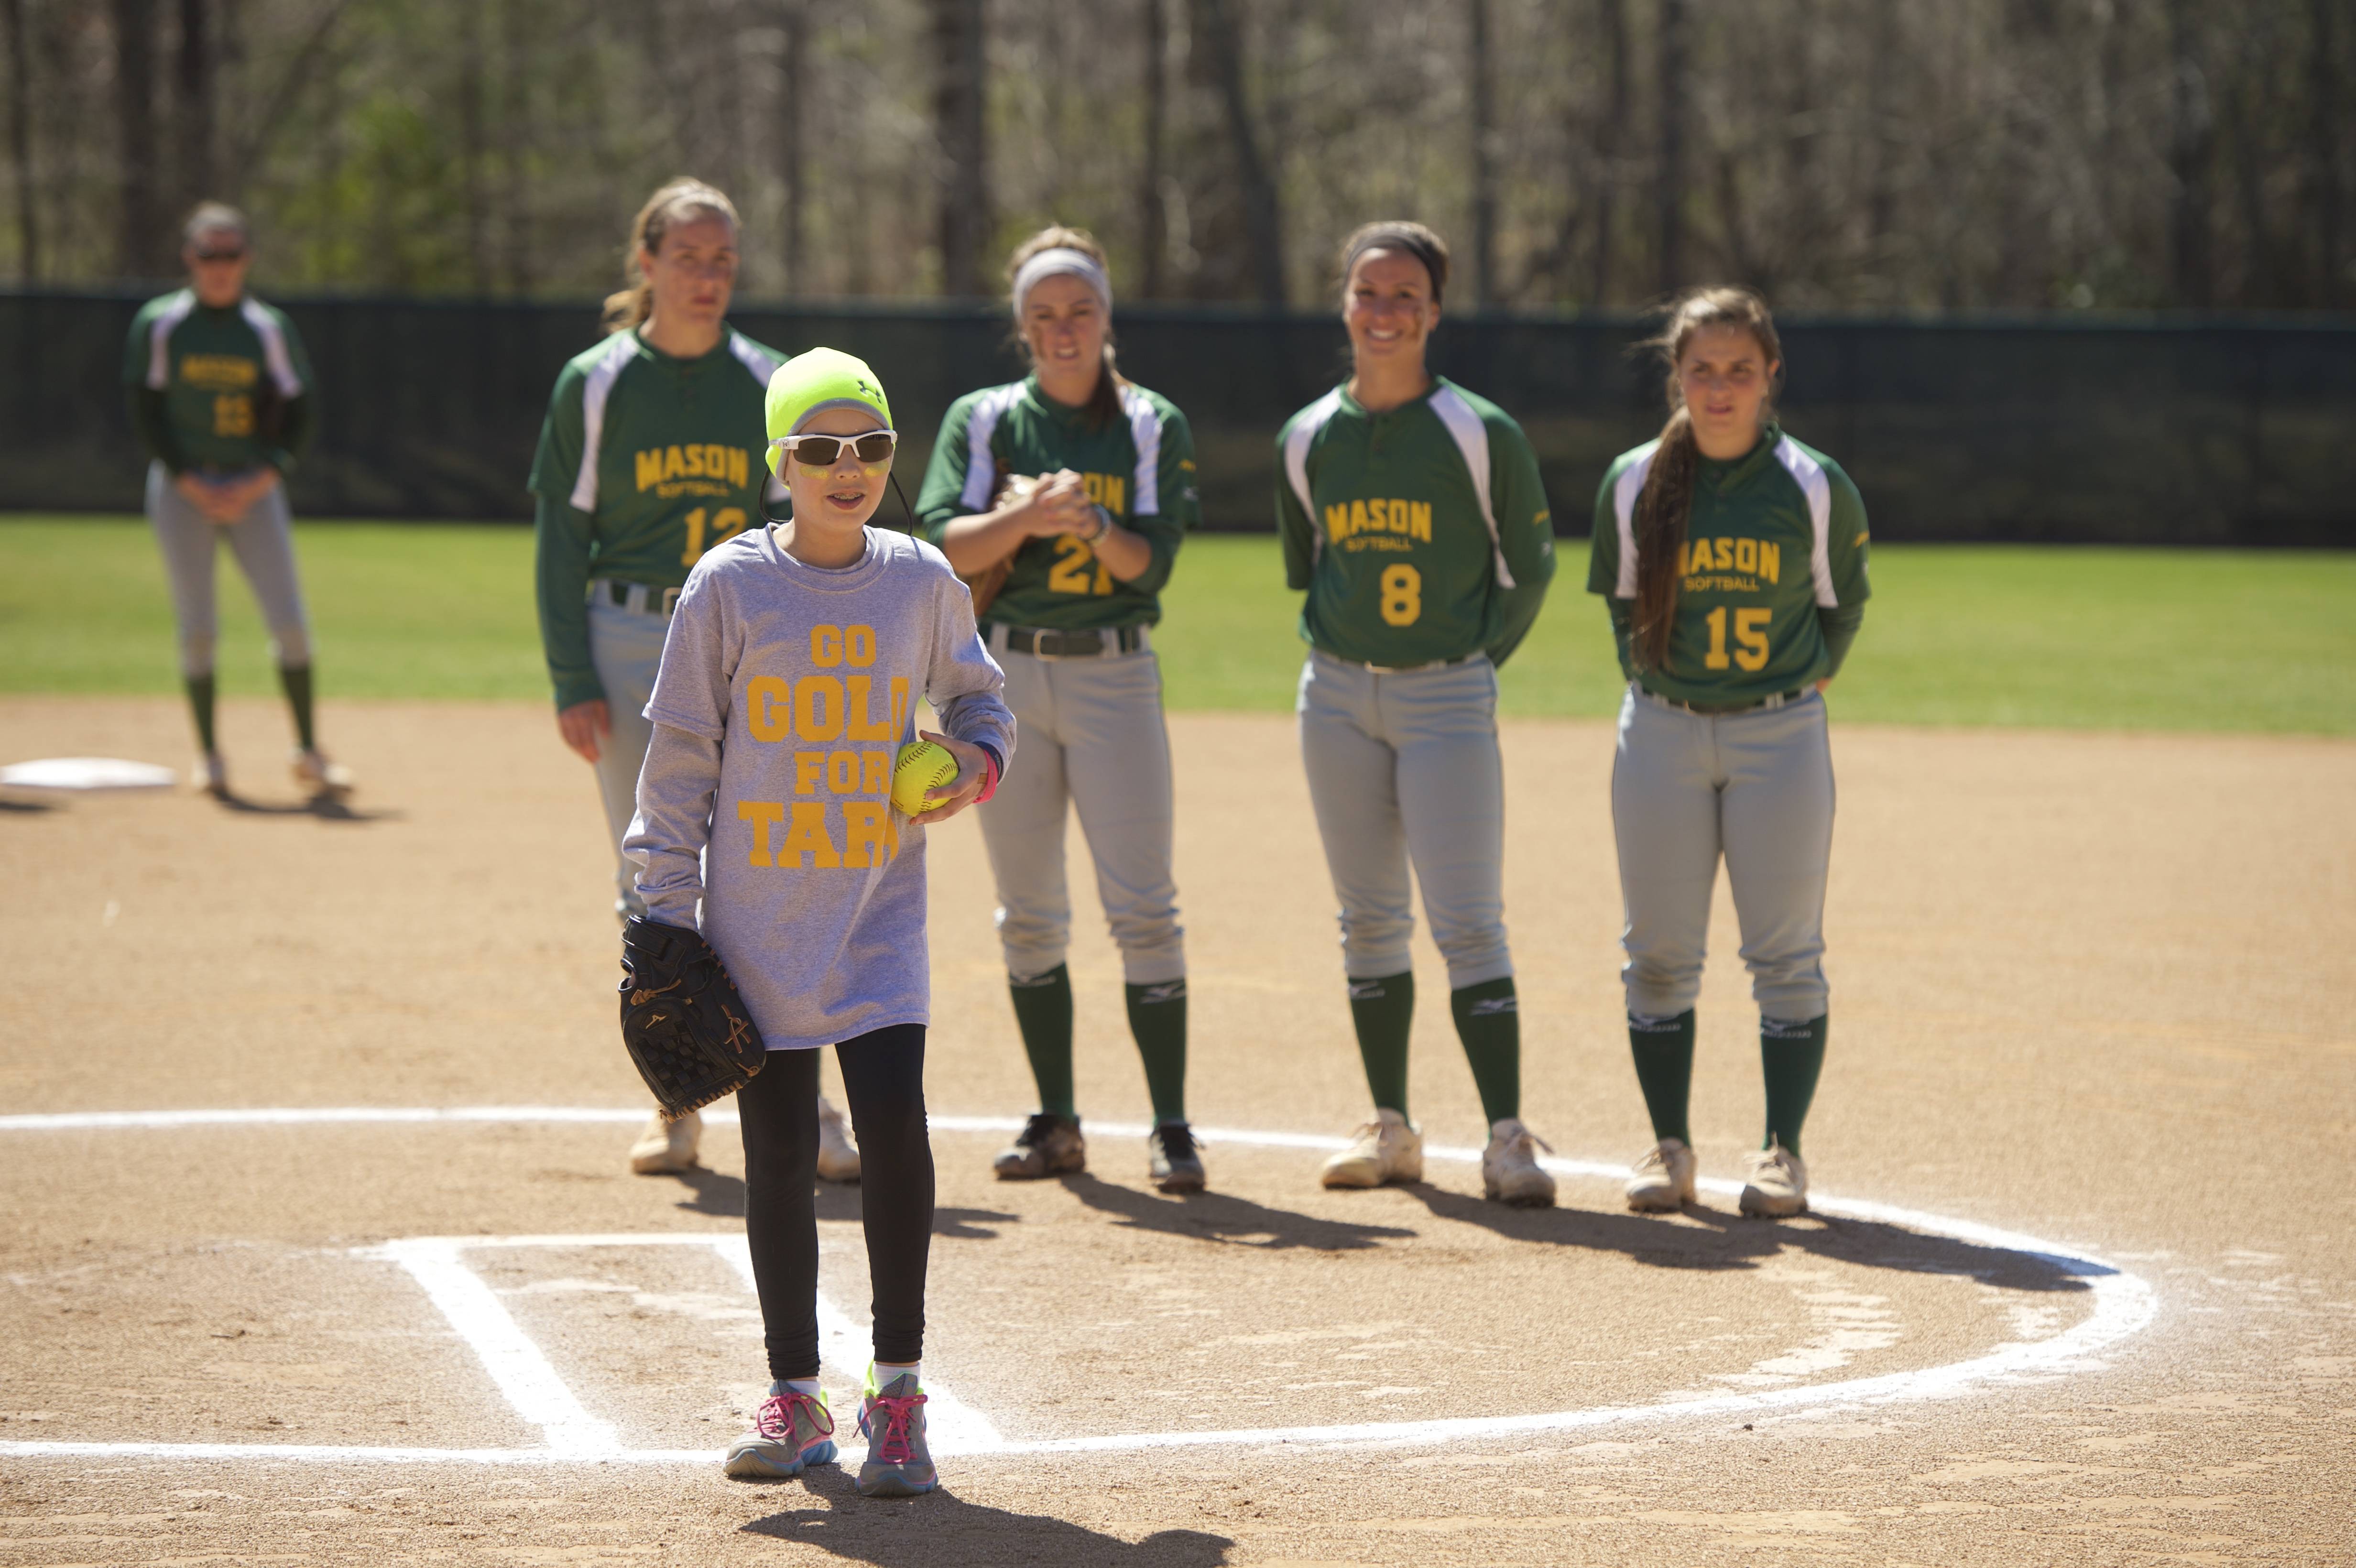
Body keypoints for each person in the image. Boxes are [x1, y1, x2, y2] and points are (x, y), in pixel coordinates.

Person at [625, 348, 1014, 1494]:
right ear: (779, 462)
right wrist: (658, 909)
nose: (848, 470)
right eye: (820, 450)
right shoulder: (728, 586)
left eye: (872, 448)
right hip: (755, 923)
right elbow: (681, 754)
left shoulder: (920, 577)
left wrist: (971, 763)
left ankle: (897, 1397)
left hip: (877, 911)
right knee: (781, 1151)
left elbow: (981, 696)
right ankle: (797, 1399)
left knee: (894, 1130)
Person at [527, 178, 859, 1180]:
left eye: (722, 260)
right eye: (688, 257)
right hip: (625, 639)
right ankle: (674, 1098)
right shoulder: (595, 382)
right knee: (655, 872)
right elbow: (559, 536)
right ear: (648, 264)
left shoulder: (766, 378)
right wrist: (569, 672)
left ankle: (811, 1107)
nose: (707, 277)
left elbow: (802, 530)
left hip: (744, 641)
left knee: (769, 868)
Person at [1273, 221, 1560, 1206]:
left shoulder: (1481, 431)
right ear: (1343, 304)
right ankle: (1390, 1125)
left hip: (1447, 690)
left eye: (1405, 296)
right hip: (1336, 692)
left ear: (1434, 313)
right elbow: (1307, 569)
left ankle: (1507, 1137)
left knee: (1468, 921)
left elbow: (1528, 572)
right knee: (1367, 919)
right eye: (1367, 293)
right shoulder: (1307, 437)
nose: (1384, 312)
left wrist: (1472, 666)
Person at [915, 227, 1205, 1192]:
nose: (1062, 328)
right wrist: (1029, 517)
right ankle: (1057, 1119)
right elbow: (942, 546)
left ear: (1106, 317)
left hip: (1115, 673)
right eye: (1042, 314)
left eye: (1079, 309)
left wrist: (1090, 520)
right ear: (1020, 325)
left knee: (1144, 906)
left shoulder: (1151, 421)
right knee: (1028, 911)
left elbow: (1149, 563)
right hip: (1003, 677)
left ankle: (1170, 1125)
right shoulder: (987, 417)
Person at [1587, 287, 1870, 1220]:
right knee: (1657, 953)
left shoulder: (1813, 482)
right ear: (1674, 376)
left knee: (1785, 953)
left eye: (1737, 371)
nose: (1718, 389)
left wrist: (1799, 683)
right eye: (1700, 370)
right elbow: (1623, 610)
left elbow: (1842, 607)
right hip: (1661, 729)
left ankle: (1782, 1151)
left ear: (1770, 376)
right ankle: (1669, 1147)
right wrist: (1672, 690)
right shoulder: (1633, 480)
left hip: (1778, 731)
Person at [124, 202, 350, 804]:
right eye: (208, 255)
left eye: (230, 254)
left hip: (253, 489)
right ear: (189, 259)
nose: (219, 266)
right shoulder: (162, 323)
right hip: (183, 490)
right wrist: (187, 479)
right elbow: (146, 411)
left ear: (246, 259)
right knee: (197, 629)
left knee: (291, 625)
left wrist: (263, 477)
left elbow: (302, 410)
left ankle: (307, 751)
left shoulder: (267, 328)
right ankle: (210, 756)